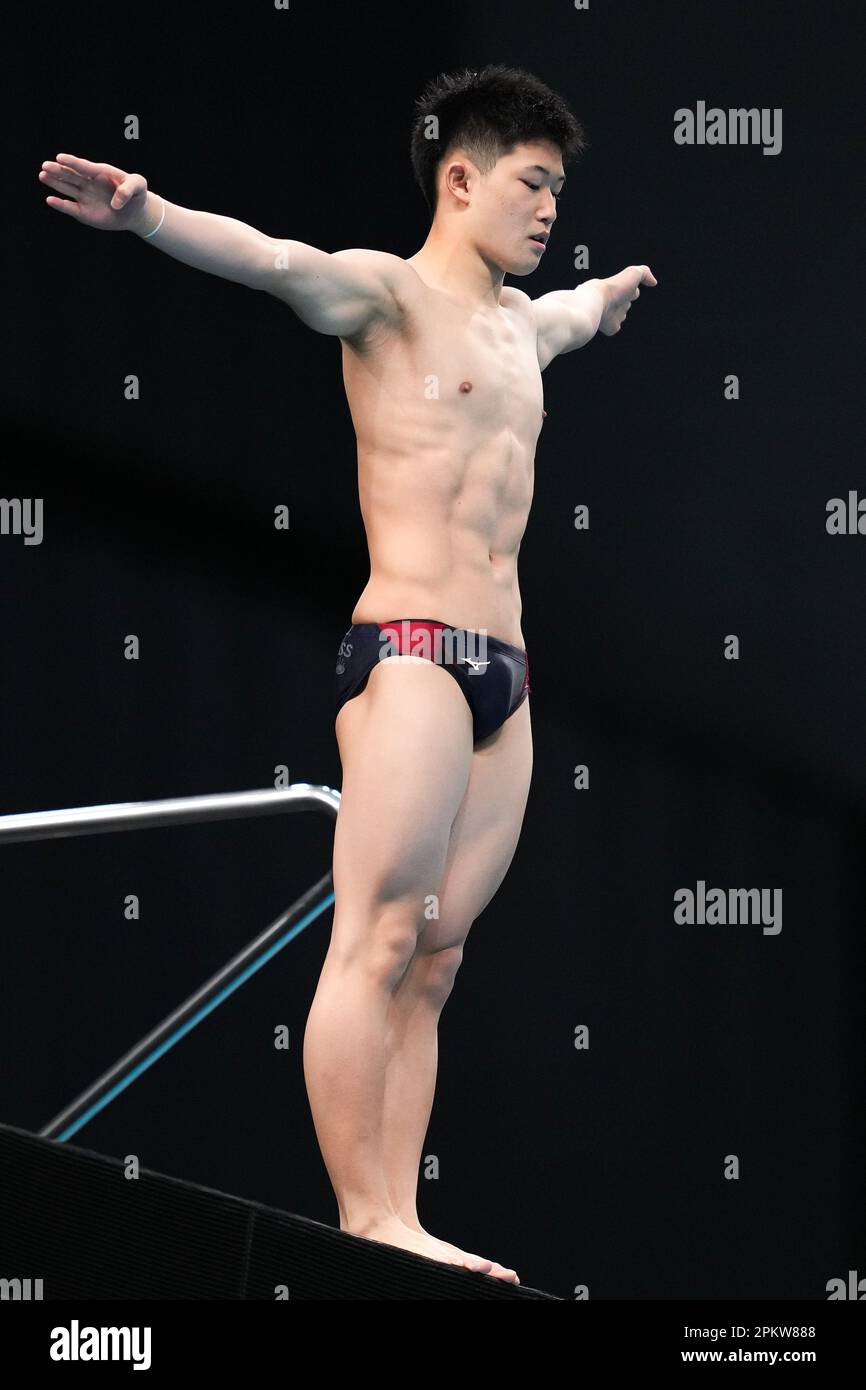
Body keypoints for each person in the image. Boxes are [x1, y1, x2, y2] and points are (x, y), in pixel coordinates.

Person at [38, 63, 656, 1284]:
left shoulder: (518, 327)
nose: (547, 211)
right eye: (530, 185)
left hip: (507, 684)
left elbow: (573, 311)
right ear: (460, 177)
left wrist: (611, 293)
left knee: (436, 961)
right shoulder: (384, 297)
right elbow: (268, 258)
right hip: (412, 657)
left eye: (557, 192)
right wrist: (147, 215)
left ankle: (405, 1225)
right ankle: (363, 1213)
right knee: (374, 940)